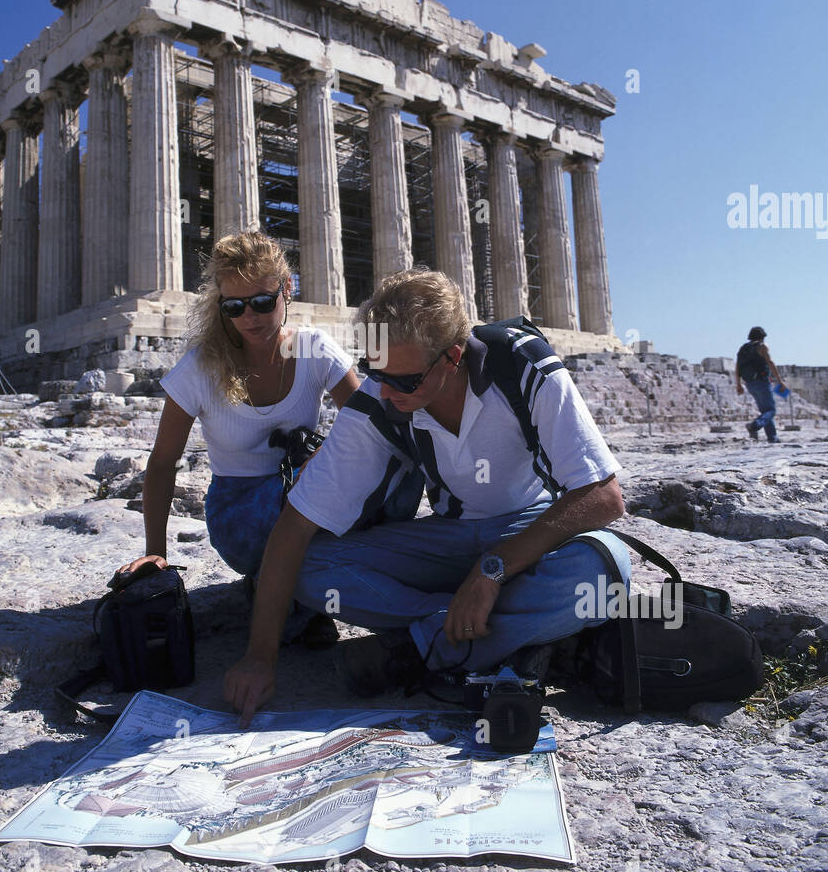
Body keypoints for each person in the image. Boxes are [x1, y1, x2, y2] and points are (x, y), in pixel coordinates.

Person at [223, 268, 631, 724]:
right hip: (448, 540)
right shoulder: (382, 394)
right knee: (313, 569)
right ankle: (495, 633)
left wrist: (491, 572)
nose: (388, 390)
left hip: (527, 529)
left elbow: (604, 496)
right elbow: (295, 525)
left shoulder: (521, 363)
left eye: (406, 380)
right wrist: (260, 657)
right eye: (375, 371)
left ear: (453, 356)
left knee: (606, 571)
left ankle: (417, 647)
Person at [120, 230, 360, 645]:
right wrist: (156, 551)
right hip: (241, 515)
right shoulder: (201, 367)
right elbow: (162, 463)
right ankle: (294, 599)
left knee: (383, 483)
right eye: (234, 307)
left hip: (305, 492)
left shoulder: (314, 348)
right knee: (310, 494)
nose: (250, 317)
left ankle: (295, 598)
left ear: (287, 289)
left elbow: (367, 427)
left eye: (263, 302)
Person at [735, 326, 786, 444]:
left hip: (749, 384)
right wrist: (779, 380)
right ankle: (754, 425)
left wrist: (738, 384)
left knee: (765, 411)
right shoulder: (762, 346)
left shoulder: (743, 349)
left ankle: (772, 438)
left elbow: (737, 367)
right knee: (771, 410)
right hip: (762, 382)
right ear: (762, 337)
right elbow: (770, 362)